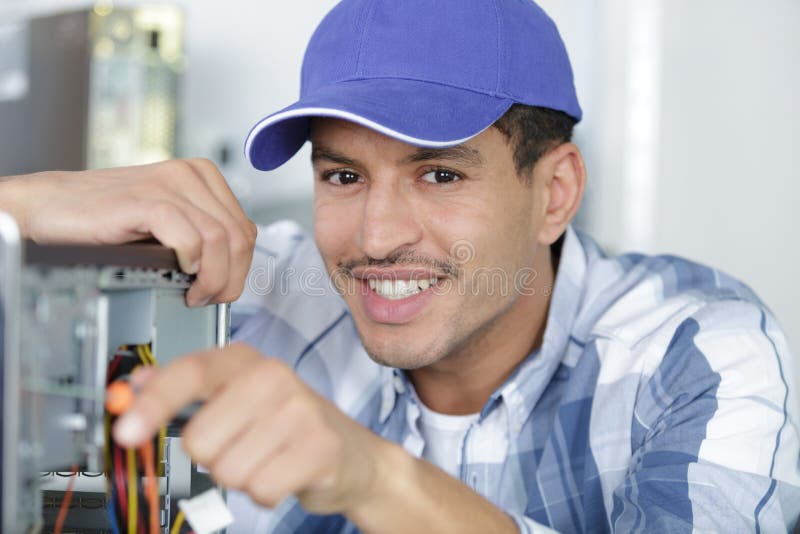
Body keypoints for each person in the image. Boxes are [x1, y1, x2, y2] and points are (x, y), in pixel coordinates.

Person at [1, 0, 798, 532]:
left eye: (439, 174)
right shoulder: (237, 295)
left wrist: (371, 479)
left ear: (554, 193)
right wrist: (21, 207)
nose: (376, 239)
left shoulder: (697, 357)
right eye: (343, 176)